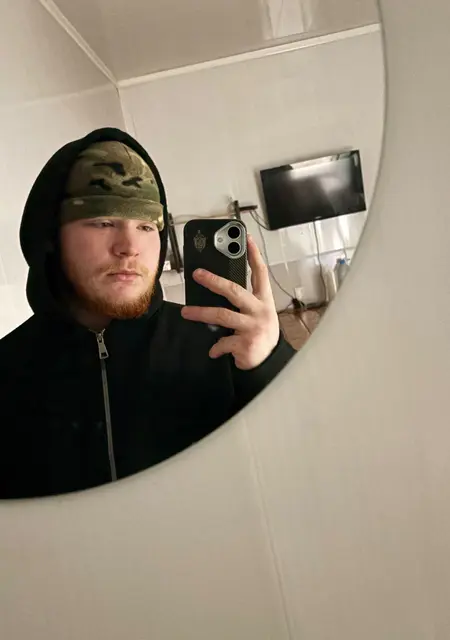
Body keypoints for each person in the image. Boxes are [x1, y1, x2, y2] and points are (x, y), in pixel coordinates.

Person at [0, 128, 295, 499]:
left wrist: (271, 364)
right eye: (102, 221)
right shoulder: (7, 374)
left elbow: (307, 461)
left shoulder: (223, 345)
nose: (129, 247)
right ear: (51, 238)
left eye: (145, 226)